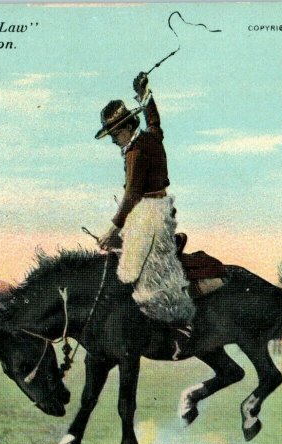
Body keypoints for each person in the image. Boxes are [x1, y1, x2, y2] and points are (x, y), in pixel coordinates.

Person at [94, 72, 195, 332]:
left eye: (115, 134)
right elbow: (155, 121)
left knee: (130, 270)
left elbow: (132, 195)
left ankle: (172, 324)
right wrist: (144, 94)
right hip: (156, 209)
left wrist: (112, 229)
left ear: (127, 128)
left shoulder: (136, 152)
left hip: (149, 213)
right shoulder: (149, 137)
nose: (114, 140)